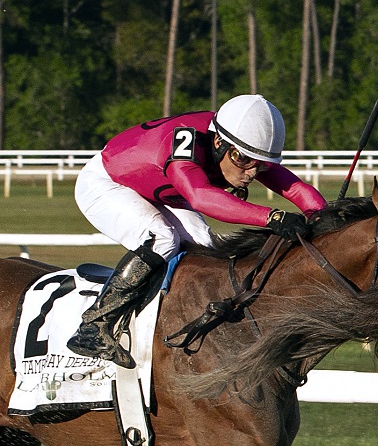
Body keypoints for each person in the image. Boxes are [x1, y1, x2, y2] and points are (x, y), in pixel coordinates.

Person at [67, 93, 327, 368]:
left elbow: (296, 189)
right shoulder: (187, 142)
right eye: (242, 159)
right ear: (218, 142)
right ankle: (93, 328)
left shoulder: (239, 144)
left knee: (206, 248)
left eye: (261, 165)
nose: (252, 172)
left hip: (157, 188)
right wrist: (272, 217)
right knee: (162, 238)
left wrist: (324, 217)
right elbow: (201, 198)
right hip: (107, 183)